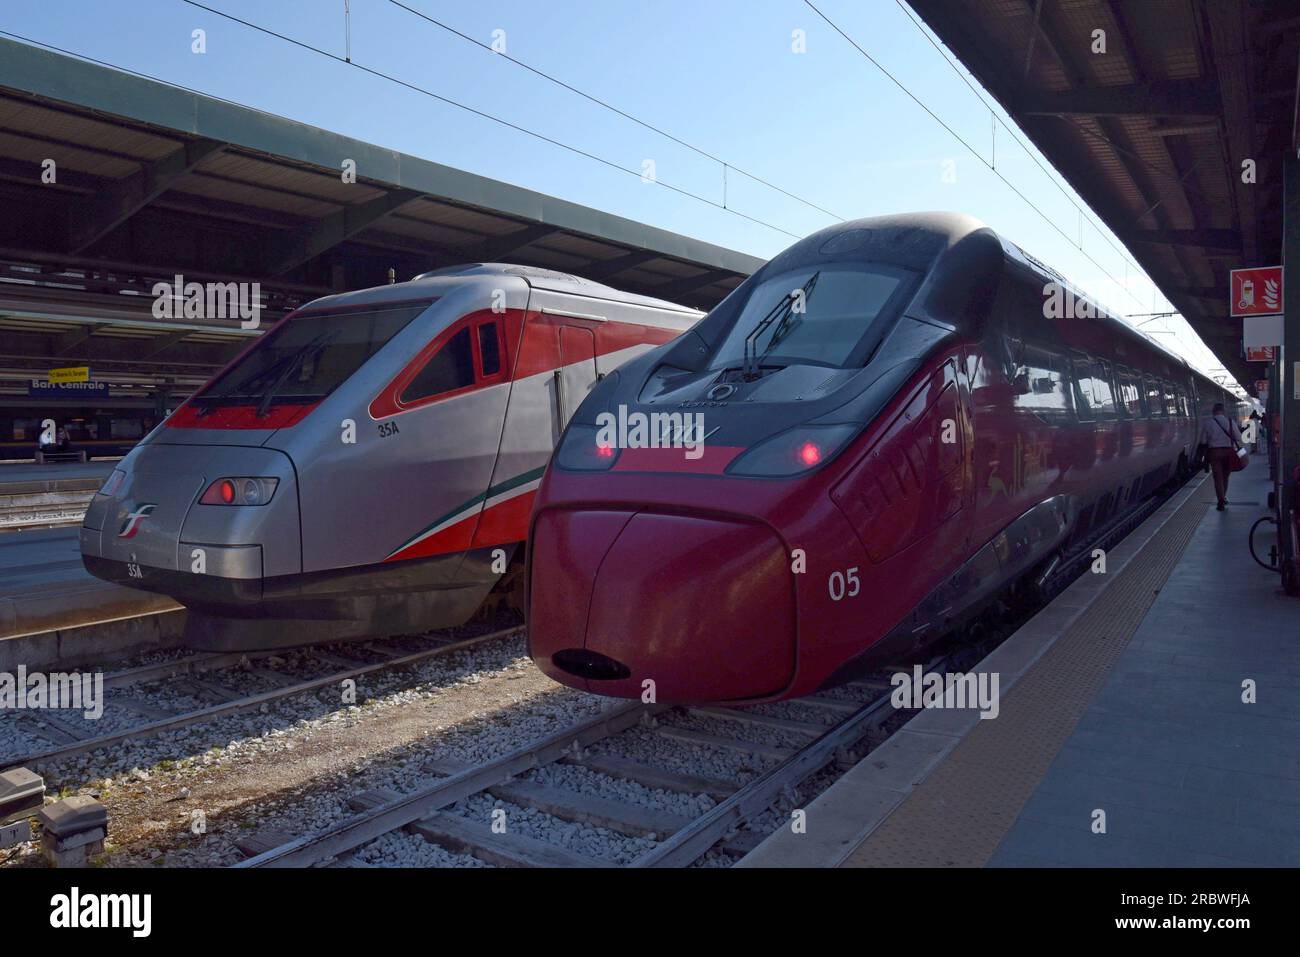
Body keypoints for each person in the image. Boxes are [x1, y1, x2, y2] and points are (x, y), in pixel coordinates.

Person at [1199, 402, 1241, 511]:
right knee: (1225, 477)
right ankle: (1223, 498)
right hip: (1228, 452)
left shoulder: (1208, 423)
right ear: (1223, 411)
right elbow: (1238, 437)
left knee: (1218, 478)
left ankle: (1220, 501)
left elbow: (1203, 441)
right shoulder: (1230, 422)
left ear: (1213, 411)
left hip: (1214, 453)